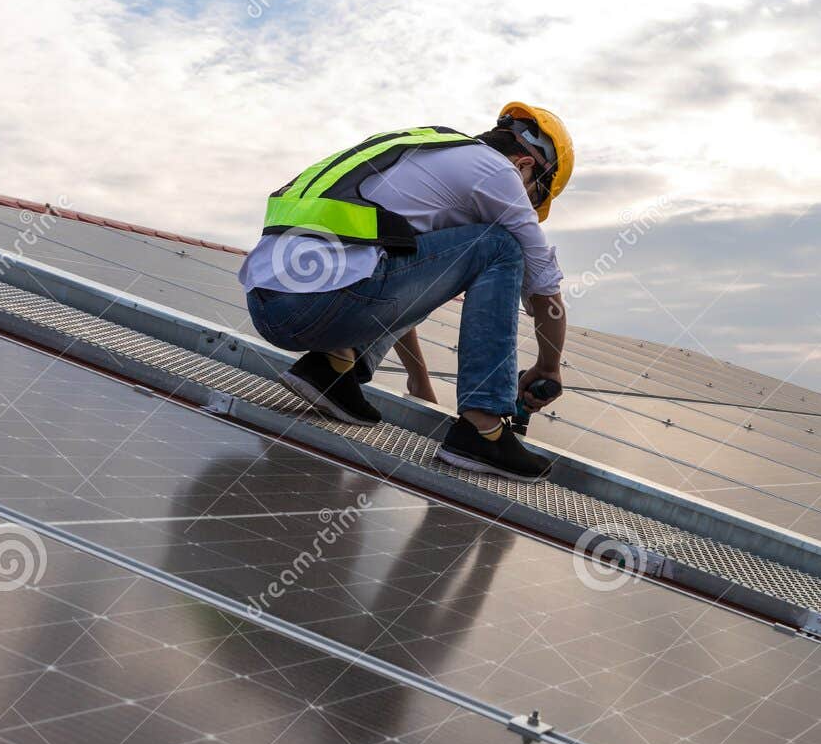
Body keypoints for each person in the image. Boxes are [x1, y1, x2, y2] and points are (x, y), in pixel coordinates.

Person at [236, 103, 573, 482]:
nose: (525, 206)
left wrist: (420, 380)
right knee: (500, 245)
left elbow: (403, 280)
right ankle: (483, 428)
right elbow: (544, 285)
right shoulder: (496, 171)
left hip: (270, 303)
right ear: (527, 165)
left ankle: (331, 369)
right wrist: (548, 367)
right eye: (533, 198)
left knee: (420, 252)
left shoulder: (426, 151)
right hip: (321, 304)